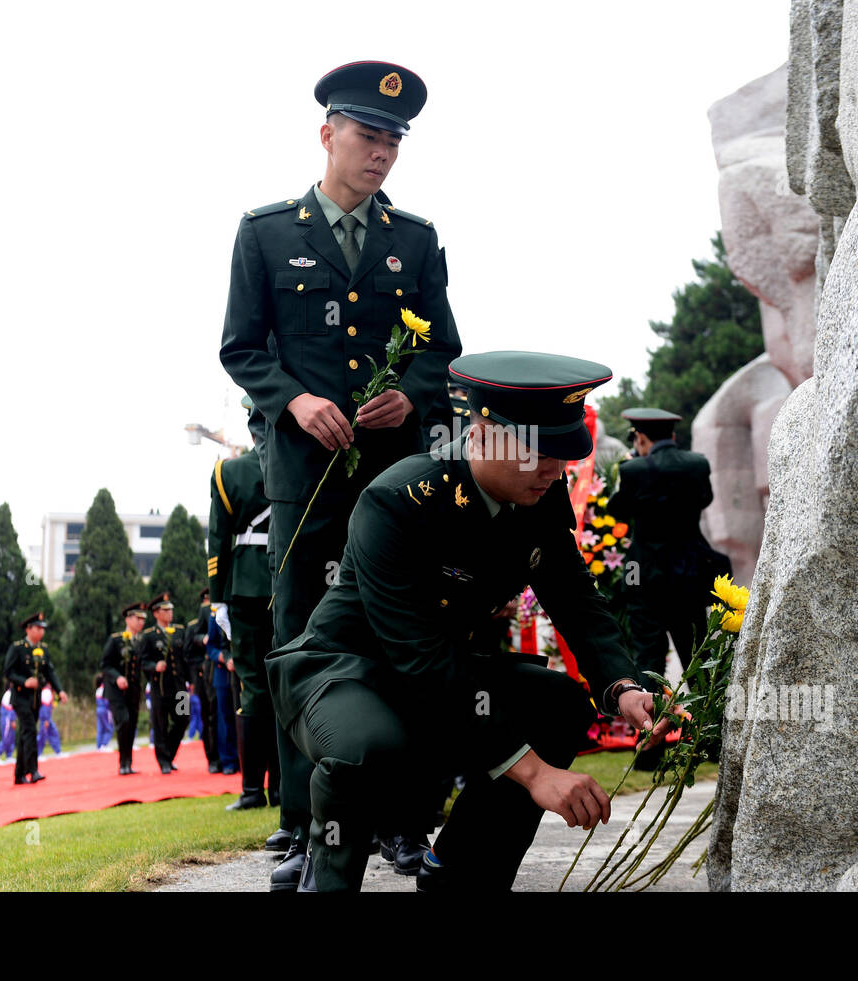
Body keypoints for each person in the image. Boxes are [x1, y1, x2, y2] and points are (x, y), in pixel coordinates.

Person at [266, 352, 672, 892]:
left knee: (558, 704)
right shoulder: (400, 500)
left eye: (560, 454)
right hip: (344, 673)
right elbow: (419, 656)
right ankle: (328, 877)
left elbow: (575, 598)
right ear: (481, 436)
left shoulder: (540, 497)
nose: (552, 470)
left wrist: (623, 687)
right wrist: (535, 774)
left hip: (440, 676)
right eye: (534, 453)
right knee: (368, 744)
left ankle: (459, 875)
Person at [219, 59, 463, 891]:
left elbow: (445, 354)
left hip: (392, 477)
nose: (383, 152)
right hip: (303, 473)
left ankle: (402, 821)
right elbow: (242, 348)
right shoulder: (265, 232)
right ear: (328, 134)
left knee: (403, 632)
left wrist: (410, 394)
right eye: (368, 134)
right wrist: (293, 402)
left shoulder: (417, 240)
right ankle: (298, 825)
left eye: (394, 139)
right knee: (299, 640)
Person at [608, 408, 731, 771]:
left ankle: (650, 744)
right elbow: (705, 500)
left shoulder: (633, 470)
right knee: (697, 658)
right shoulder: (697, 464)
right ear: (672, 435)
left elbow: (619, 511)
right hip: (689, 573)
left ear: (640, 437)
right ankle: (712, 738)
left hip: (644, 576)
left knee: (648, 656)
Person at [208, 429, 284, 830]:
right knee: (287, 685)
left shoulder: (228, 472)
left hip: (244, 585)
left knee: (253, 687)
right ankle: (286, 790)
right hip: (287, 581)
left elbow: (218, 538)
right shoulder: (298, 462)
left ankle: (254, 790)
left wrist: (217, 597)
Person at [3, 612, 67, 785]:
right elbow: (8, 672)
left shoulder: (43, 649)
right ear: (28, 629)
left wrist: (59, 690)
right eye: (38, 628)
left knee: (26, 734)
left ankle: (19, 774)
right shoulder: (18, 647)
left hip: (35, 699)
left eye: (42, 629)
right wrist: (24, 682)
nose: (41, 632)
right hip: (20, 698)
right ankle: (33, 770)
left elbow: (50, 671)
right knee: (30, 730)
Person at [136, 593, 187, 774]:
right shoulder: (149, 636)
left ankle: (169, 754)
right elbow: (142, 662)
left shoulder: (180, 630)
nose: (170, 613)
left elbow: (185, 658)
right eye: (165, 610)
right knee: (160, 724)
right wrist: (154, 666)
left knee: (183, 719)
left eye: (171, 609)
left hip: (180, 688)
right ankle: (163, 761)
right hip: (160, 688)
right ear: (156, 613)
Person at [100, 602, 147, 774]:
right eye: (138, 618)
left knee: (132, 724)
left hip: (133, 691)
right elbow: (105, 664)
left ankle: (128, 762)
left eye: (143, 619)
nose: (141, 622)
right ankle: (123, 763)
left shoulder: (142, 641)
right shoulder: (116, 640)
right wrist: (117, 677)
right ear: (128, 619)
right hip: (116, 691)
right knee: (124, 721)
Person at [181, 589, 222, 773]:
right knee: (208, 717)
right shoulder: (194, 626)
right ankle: (213, 757)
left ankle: (227, 756)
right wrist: (201, 667)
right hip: (203, 677)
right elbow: (188, 654)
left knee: (222, 715)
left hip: (220, 672)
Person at [36, 684, 62, 756]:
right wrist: (46, 719)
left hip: (48, 717)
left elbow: (50, 706)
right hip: (45, 718)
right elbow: (44, 707)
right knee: (42, 735)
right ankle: (38, 754)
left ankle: (58, 752)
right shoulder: (47, 692)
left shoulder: (49, 692)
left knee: (54, 733)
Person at [0, 685, 16, 764]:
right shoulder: (8, 694)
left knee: (11, 737)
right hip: (7, 718)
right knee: (6, 737)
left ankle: (9, 756)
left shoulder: (13, 693)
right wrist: (12, 720)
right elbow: (9, 708)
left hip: (9, 718)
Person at [94, 673, 114, 752]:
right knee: (109, 728)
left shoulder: (98, 689)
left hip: (99, 709)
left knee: (101, 728)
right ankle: (104, 745)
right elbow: (107, 702)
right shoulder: (105, 689)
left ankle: (99, 746)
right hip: (105, 710)